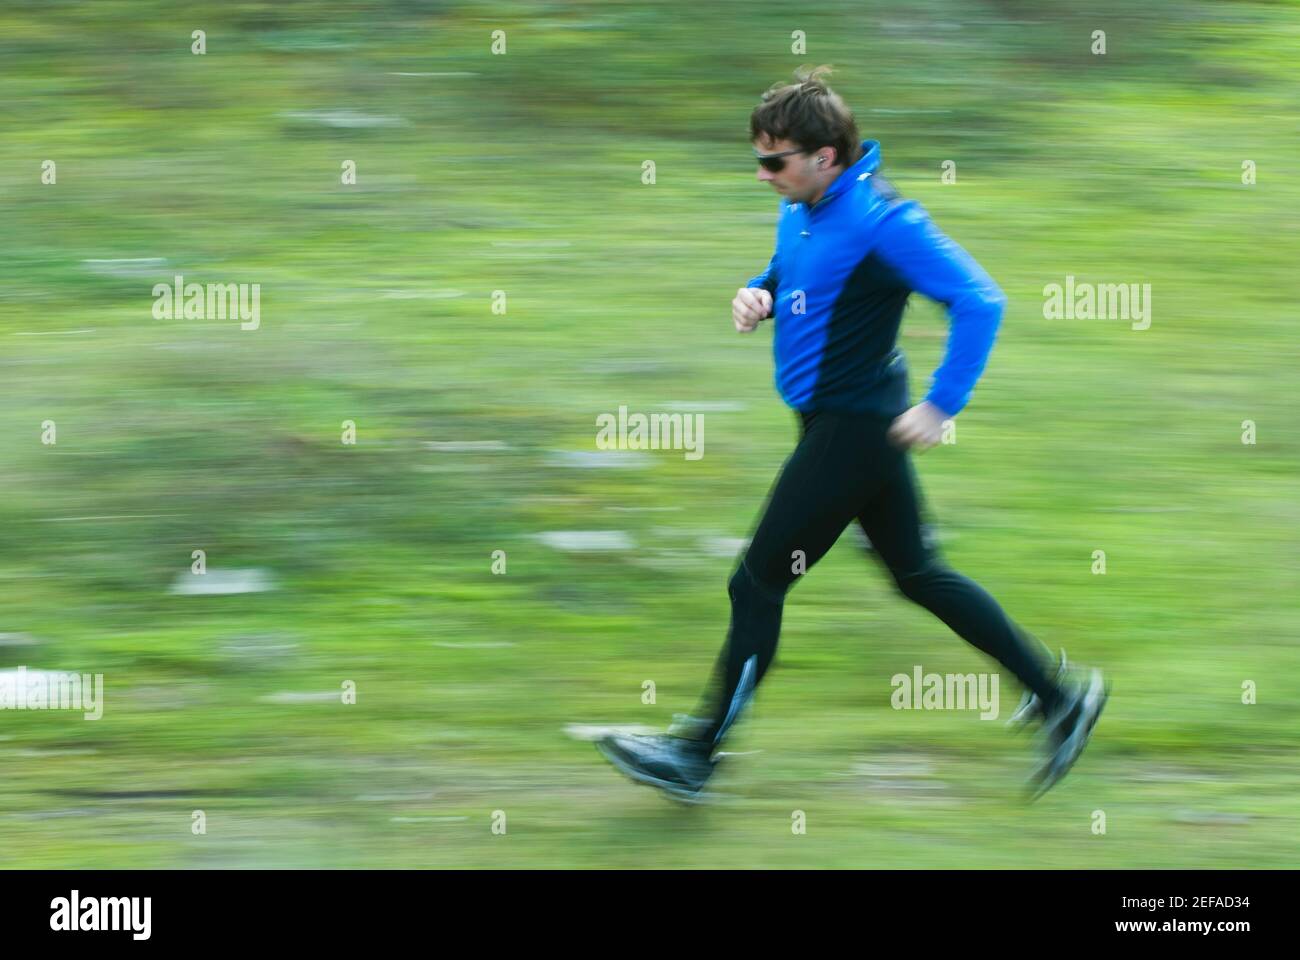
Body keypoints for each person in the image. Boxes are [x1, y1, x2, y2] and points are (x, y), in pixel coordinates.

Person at [596, 66, 1107, 803]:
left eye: (775, 162)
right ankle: (1062, 700)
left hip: (854, 430)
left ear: (824, 157)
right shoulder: (803, 208)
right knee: (919, 574)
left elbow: (980, 299)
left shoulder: (883, 221)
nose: (764, 175)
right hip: (837, 424)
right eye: (758, 161)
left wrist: (941, 403)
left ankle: (696, 753)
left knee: (757, 581)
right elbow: (793, 269)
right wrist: (759, 292)